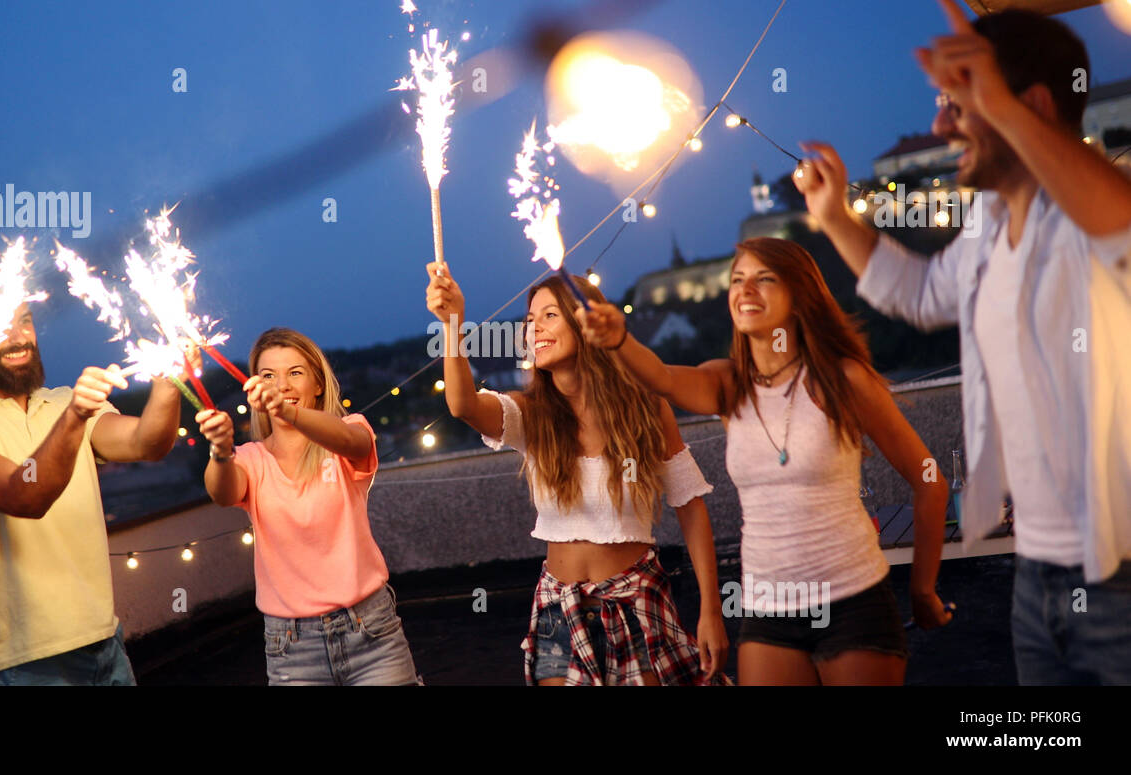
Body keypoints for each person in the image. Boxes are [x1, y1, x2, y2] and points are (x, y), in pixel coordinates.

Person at [792, 0, 1131, 684]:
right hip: (1039, 566)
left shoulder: (1101, 203)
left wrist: (1004, 107)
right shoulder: (986, 222)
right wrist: (833, 218)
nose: (940, 126)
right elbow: (918, 293)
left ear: (1026, 103)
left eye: (959, 103)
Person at [579, 237, 952, 685]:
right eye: (738, 280)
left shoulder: (843, 380)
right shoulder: (728, 383)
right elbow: (661, 378)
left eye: (764, 279)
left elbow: (929, 480)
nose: (746, 290)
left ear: (799, 297)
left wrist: (923, 589)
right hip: (767, 612)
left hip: (853, 603)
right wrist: (619, 340)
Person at [426, 262, 727, 686]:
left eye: (550, 315)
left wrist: (712, 611)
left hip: (633, 599)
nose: (535, 328)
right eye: (530, 320)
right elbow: (462, 405)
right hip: (557, 609)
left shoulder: (645, 406)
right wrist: (453, 323)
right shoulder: (530, 414)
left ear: (587, 321)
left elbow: (690, 507)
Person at [0, 266, 185, 685]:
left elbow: (147, 443)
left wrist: (167, 382)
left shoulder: (62, 400)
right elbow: (24, 495)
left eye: (25, 321)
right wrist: (75, 418)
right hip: (24, 666)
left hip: (106, 645)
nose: (18, 338)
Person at [196, 327, 420, 686]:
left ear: (318, 384)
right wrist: (220, 452)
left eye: (295, 373)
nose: (281, 385)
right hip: (291, 647)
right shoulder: (249, 459)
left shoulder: (347, 431)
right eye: (268, 376)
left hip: (371, 630)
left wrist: (286, 411)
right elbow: (222, 493)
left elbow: (355, 443)